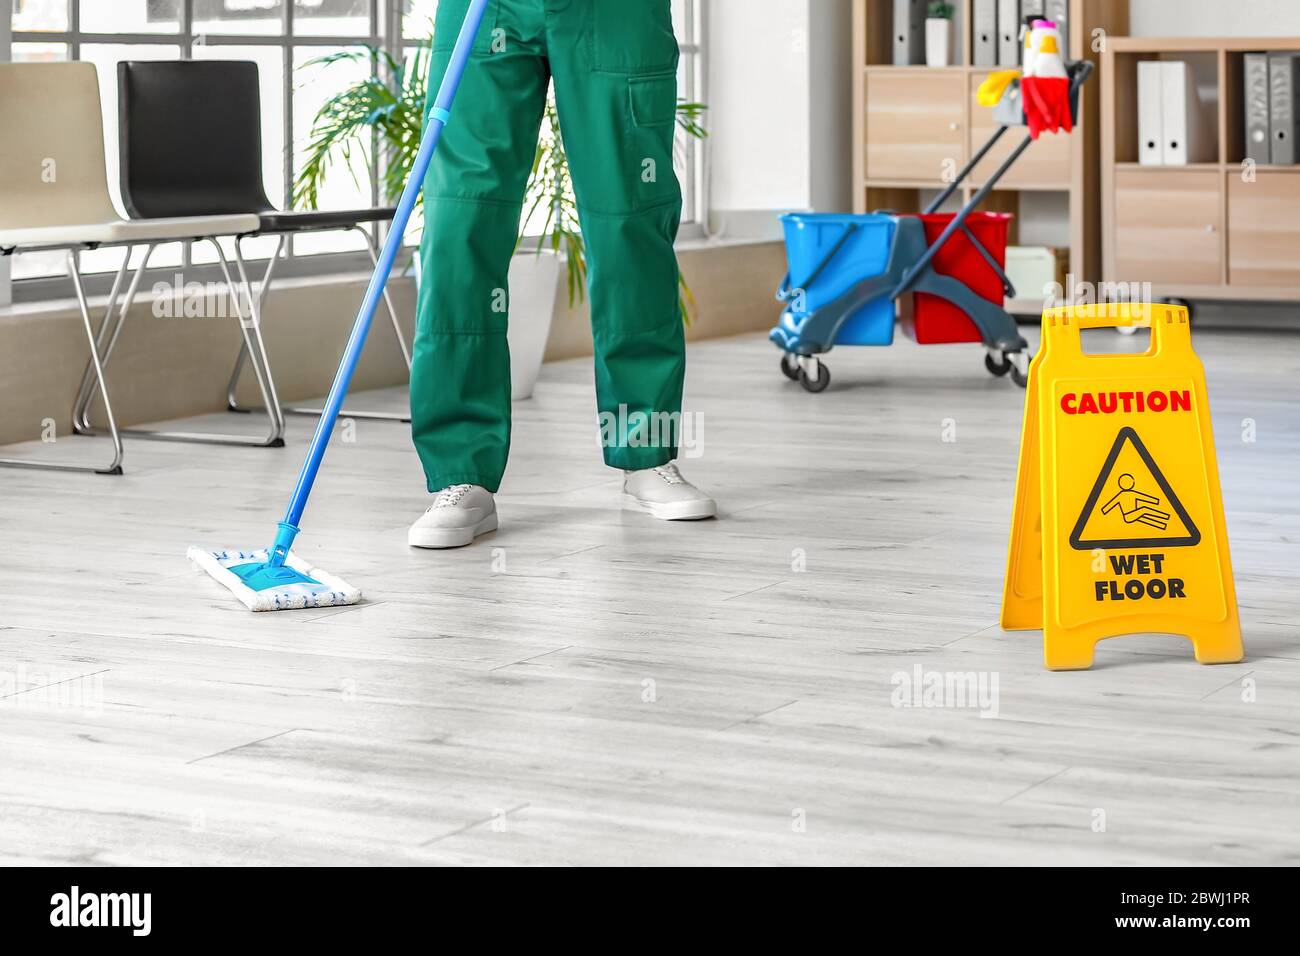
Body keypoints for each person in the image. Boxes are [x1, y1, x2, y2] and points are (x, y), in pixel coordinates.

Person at [406, 0, 716, 549]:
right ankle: (461, 472)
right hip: (487, 11)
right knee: (459, 223)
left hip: (614, 15)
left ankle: (647, 454)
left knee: (630, 224)